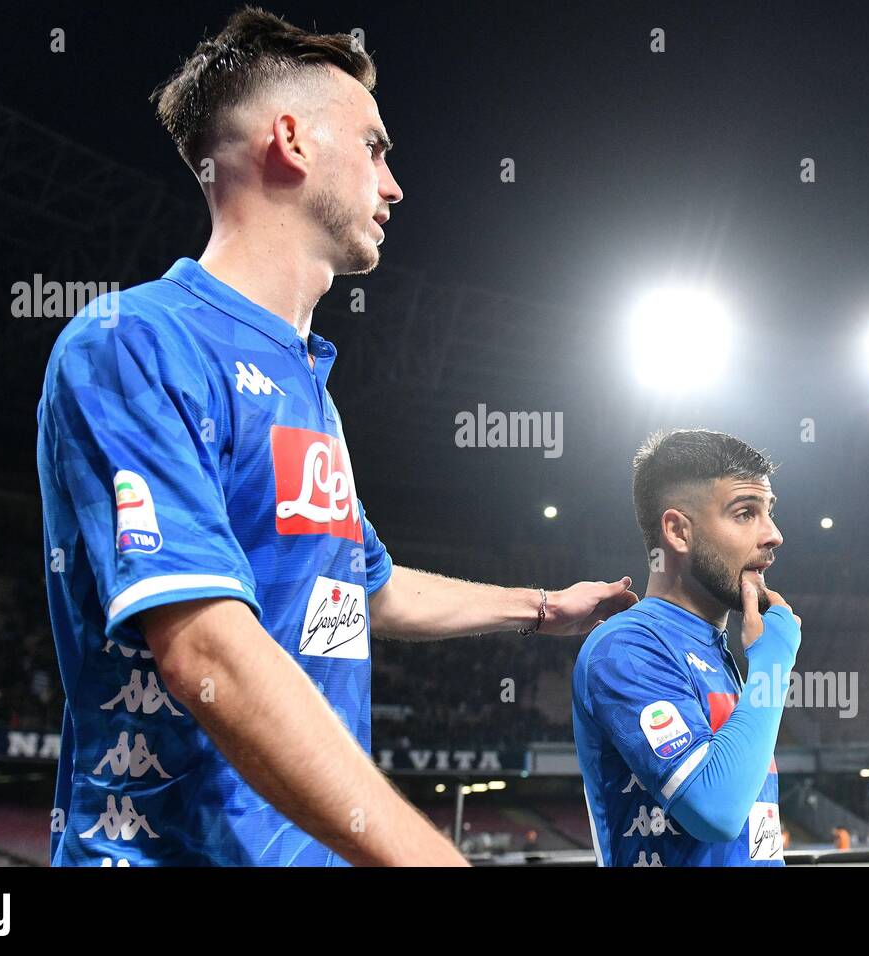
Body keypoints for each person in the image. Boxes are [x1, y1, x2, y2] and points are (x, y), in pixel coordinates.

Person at [37, 7, 635, 867]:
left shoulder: (306, 380)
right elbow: (205, 645)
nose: (393, 186)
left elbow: (365, 589)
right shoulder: (132, 340)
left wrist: (541, 609)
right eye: (376, 148)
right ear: (291, 140)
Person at [572, 429, 801, 866]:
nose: (773, 535)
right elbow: (715, 812)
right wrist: (773, 665)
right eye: (745, 513)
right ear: (678, 531)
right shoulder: (628, 647)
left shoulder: (720, 651)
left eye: (769, 511)